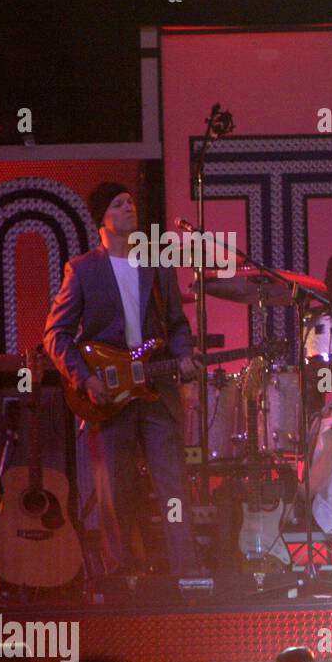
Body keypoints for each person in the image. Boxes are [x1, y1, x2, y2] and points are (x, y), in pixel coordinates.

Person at [43, 182, 202, 575]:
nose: (130, 207)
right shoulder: (82, 270)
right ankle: (122, 575)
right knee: (115, 488)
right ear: (102, 219)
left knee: (172, 484)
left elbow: (178, 324)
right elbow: (55, 333)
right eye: (119, 204)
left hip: (155, 387)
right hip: (109, 392)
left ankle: (186, 570)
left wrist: (183, 355)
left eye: (131, 201)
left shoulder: (156, 263)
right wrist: (84, 378)